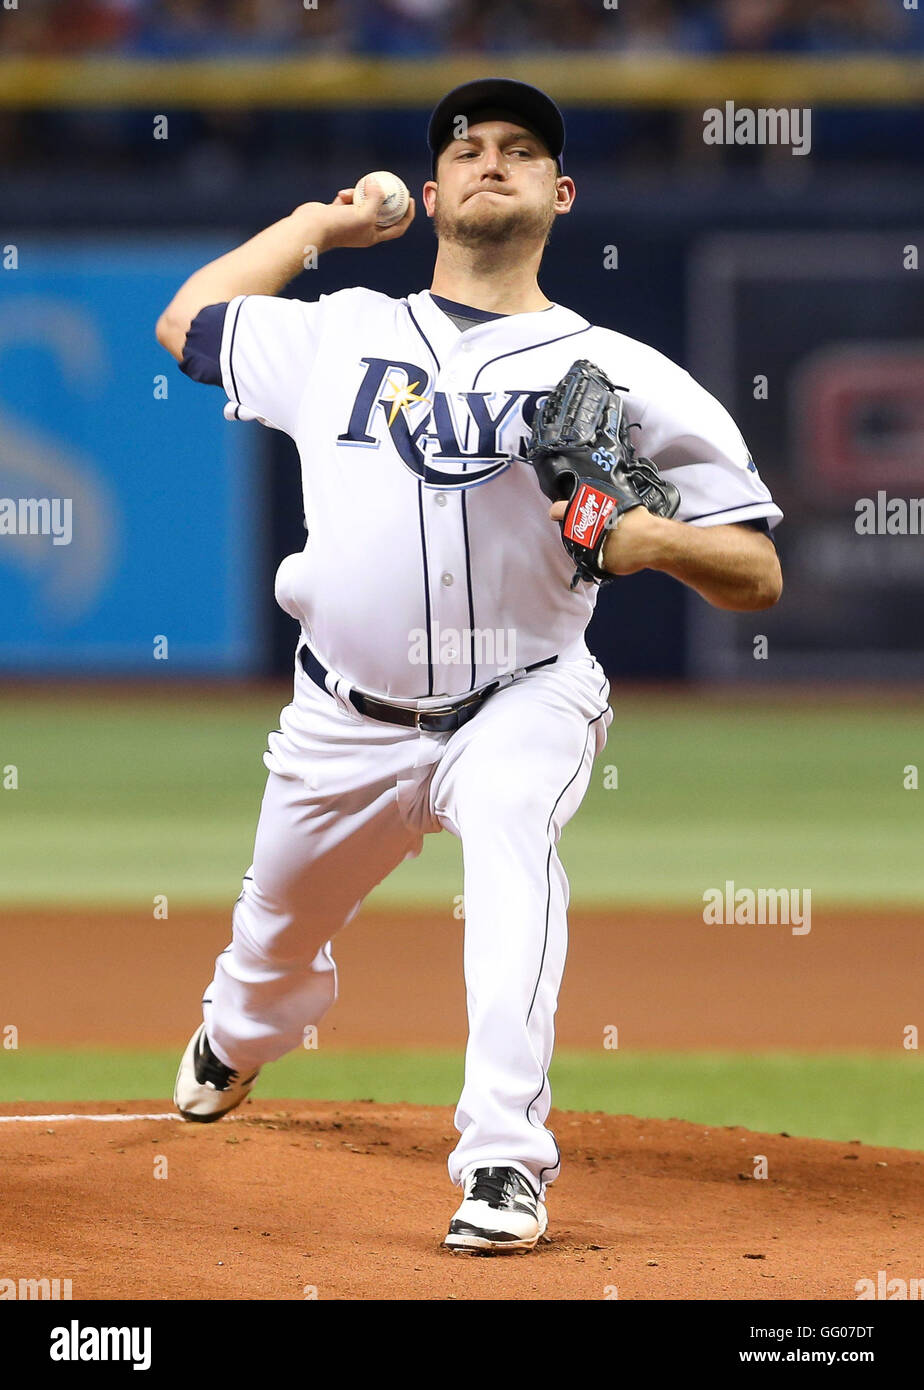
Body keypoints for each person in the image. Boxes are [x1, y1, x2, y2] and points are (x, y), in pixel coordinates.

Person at [156, 78, 782, 1254]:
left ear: (561, 192)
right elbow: (186, 325)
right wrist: (316, 229)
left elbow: (756, 571)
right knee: (271, 941)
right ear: (433, 191)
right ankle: (237, 1034)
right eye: (467, 148)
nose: (491, 161)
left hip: (524, 696)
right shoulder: (338, 328)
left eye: (520, 150)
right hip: (341, 718)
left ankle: (503, 1156)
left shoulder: (628, 373)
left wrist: (648, 542)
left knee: (510, 849)